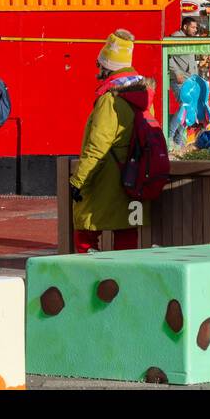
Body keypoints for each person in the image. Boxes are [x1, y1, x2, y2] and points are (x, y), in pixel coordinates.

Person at [69, 30, 150, 254]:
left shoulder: (110, 99)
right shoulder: (140, 95)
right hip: (132, 176)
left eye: (100, 66)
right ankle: (124, 280)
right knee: (126, 234)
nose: (99, 71)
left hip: (107, 177)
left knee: (85, 231)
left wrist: (79, 181)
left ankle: (89, 278)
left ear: (108, 66)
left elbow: (98, 145)